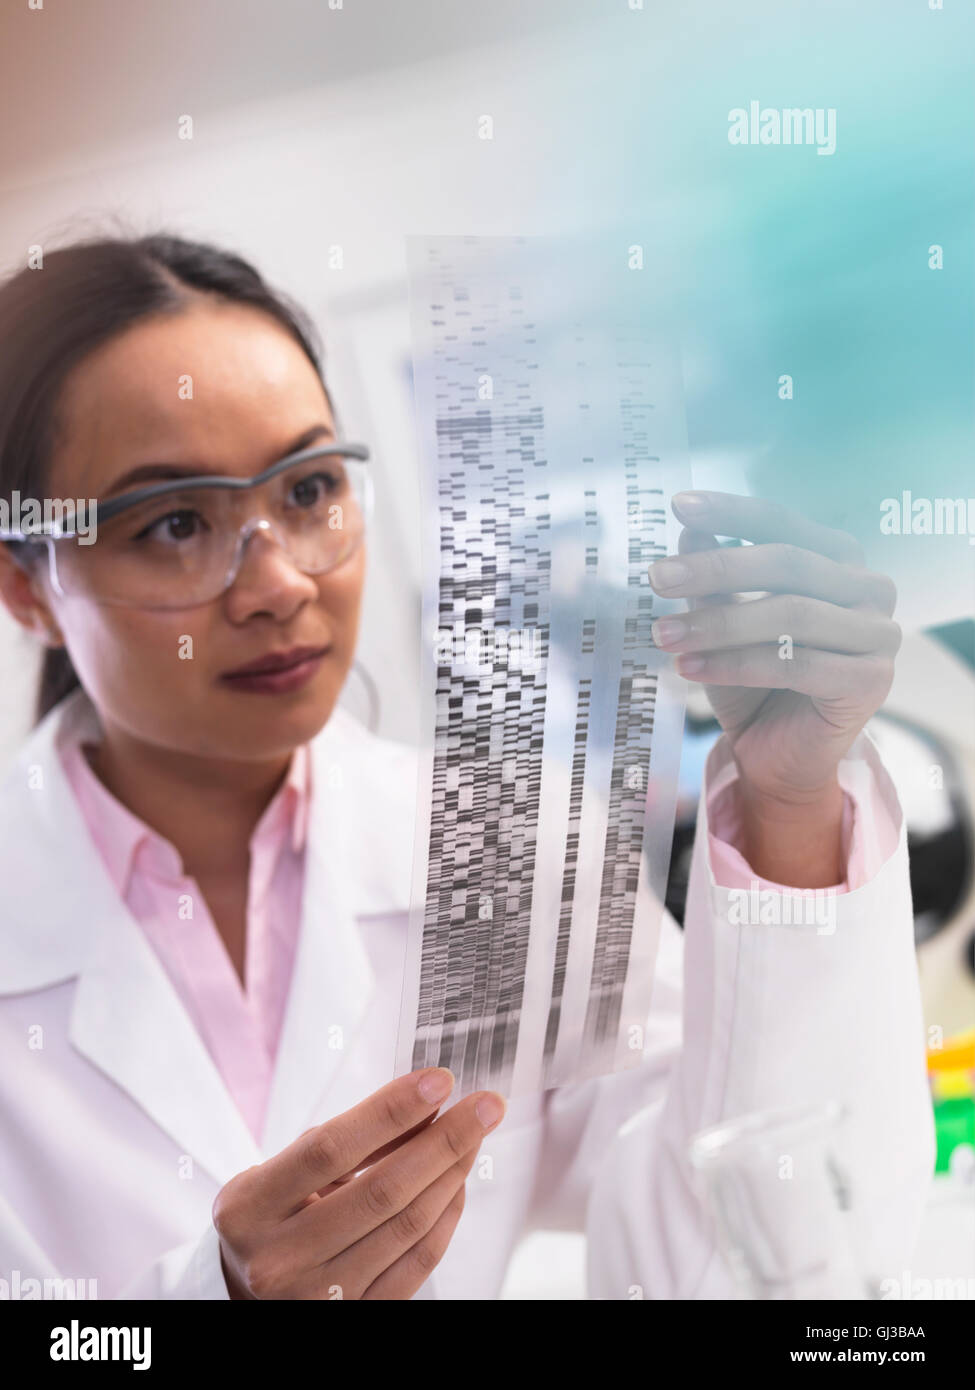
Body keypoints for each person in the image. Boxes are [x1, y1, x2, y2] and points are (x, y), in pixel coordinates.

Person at [0, 233, 933, 1300]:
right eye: (173, 522)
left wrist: (790, 805)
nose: (276, 584)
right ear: (26, 586)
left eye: (306, 492)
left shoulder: (507, 850)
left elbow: (745, 1245)